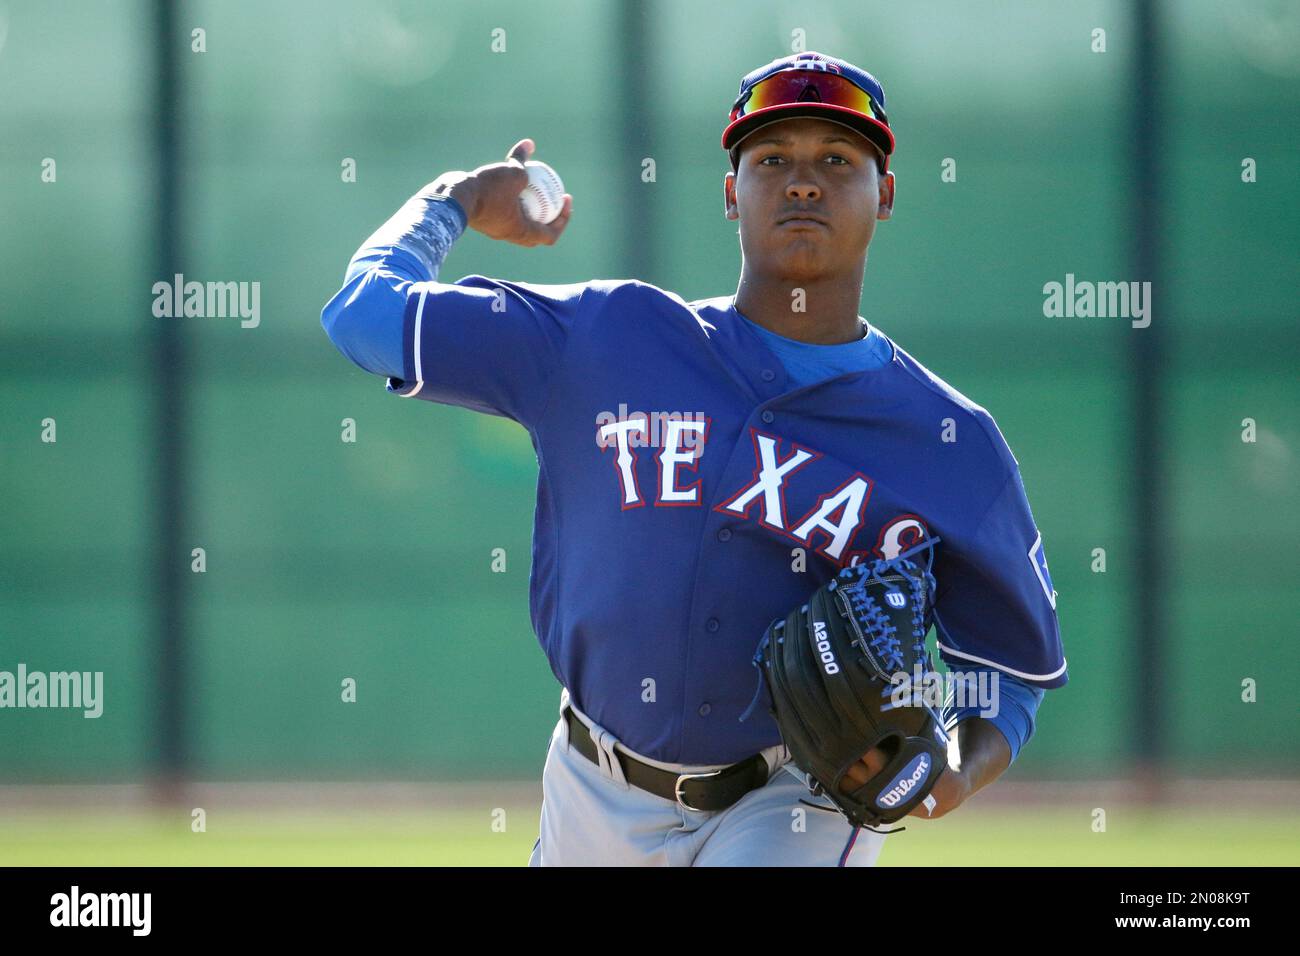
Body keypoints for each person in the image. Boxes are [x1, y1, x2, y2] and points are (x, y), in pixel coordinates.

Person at [321, 51, 1066, 866]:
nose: (804, 181)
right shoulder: (607, 339)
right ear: (730, 193)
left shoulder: (948, 440)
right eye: (772, 159)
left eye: (838, 161)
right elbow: (363, 315)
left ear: (884, 194)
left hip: (797, 798)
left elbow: (1009, 672)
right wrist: (457, 198)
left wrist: (955, 768)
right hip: (590, 783)